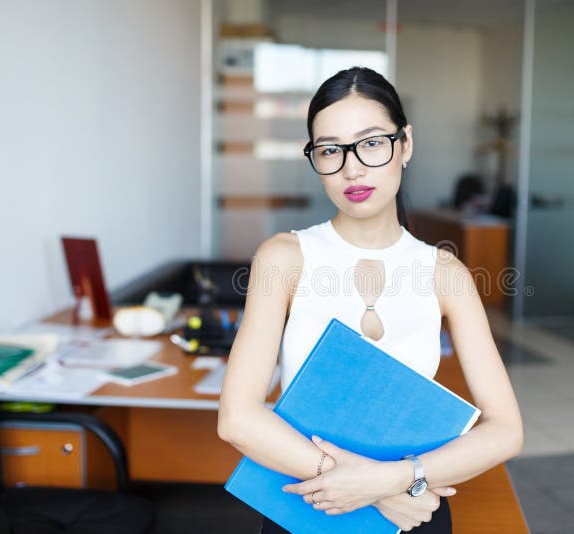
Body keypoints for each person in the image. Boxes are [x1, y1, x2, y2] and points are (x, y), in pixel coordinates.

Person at [217, 67, 524, 533]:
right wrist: (358, 485)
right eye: (330, 150)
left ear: (405, 145)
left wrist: (395, 481)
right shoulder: (284, 258)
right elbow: (237, 418)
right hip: (311, 508)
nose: (352, 168)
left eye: (372, 142)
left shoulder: (446, 274)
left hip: (412, 511)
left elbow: (506, 430)